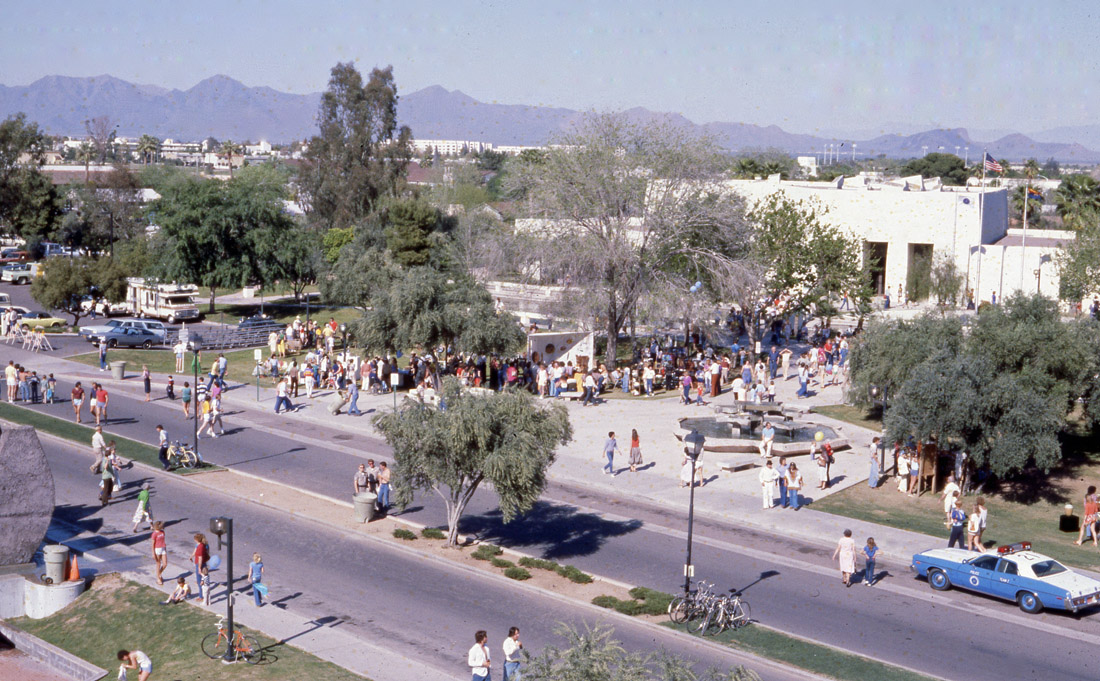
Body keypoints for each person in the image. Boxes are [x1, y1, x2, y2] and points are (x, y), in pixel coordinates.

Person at [150, 521, 167, 585]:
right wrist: (153, 553)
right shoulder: (154, 534)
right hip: (157, 549)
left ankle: (159, 574)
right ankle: (158, 578)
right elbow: (152, 544)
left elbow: (163, 540)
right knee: (158, 564)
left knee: (165, 564)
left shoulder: (162, 532)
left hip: (163, 548)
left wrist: (165, 548)